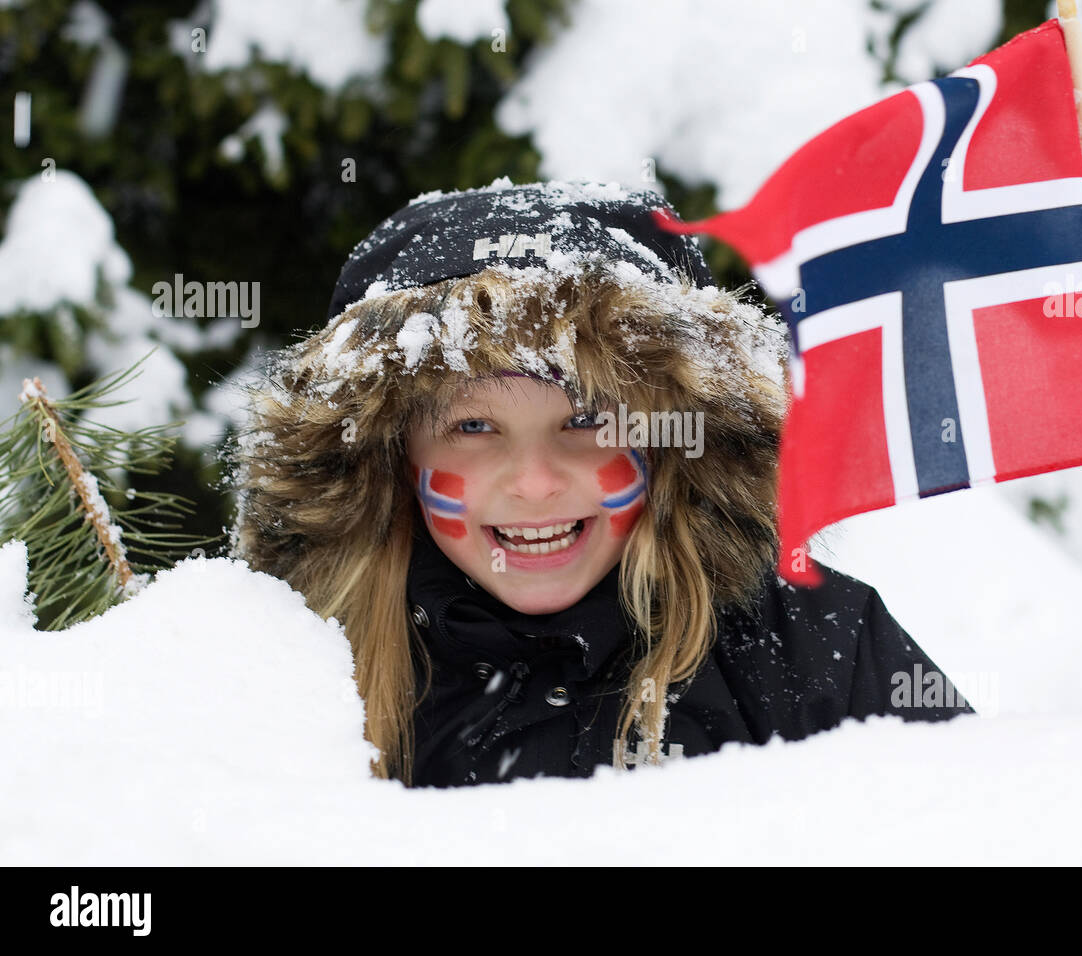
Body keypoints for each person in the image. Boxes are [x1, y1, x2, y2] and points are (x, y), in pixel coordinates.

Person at [226, 177, 974, 789]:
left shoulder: (812, 654)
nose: (535, 483)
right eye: (473, 428)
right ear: (389, 459)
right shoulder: (293, 673)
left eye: (587, 421)